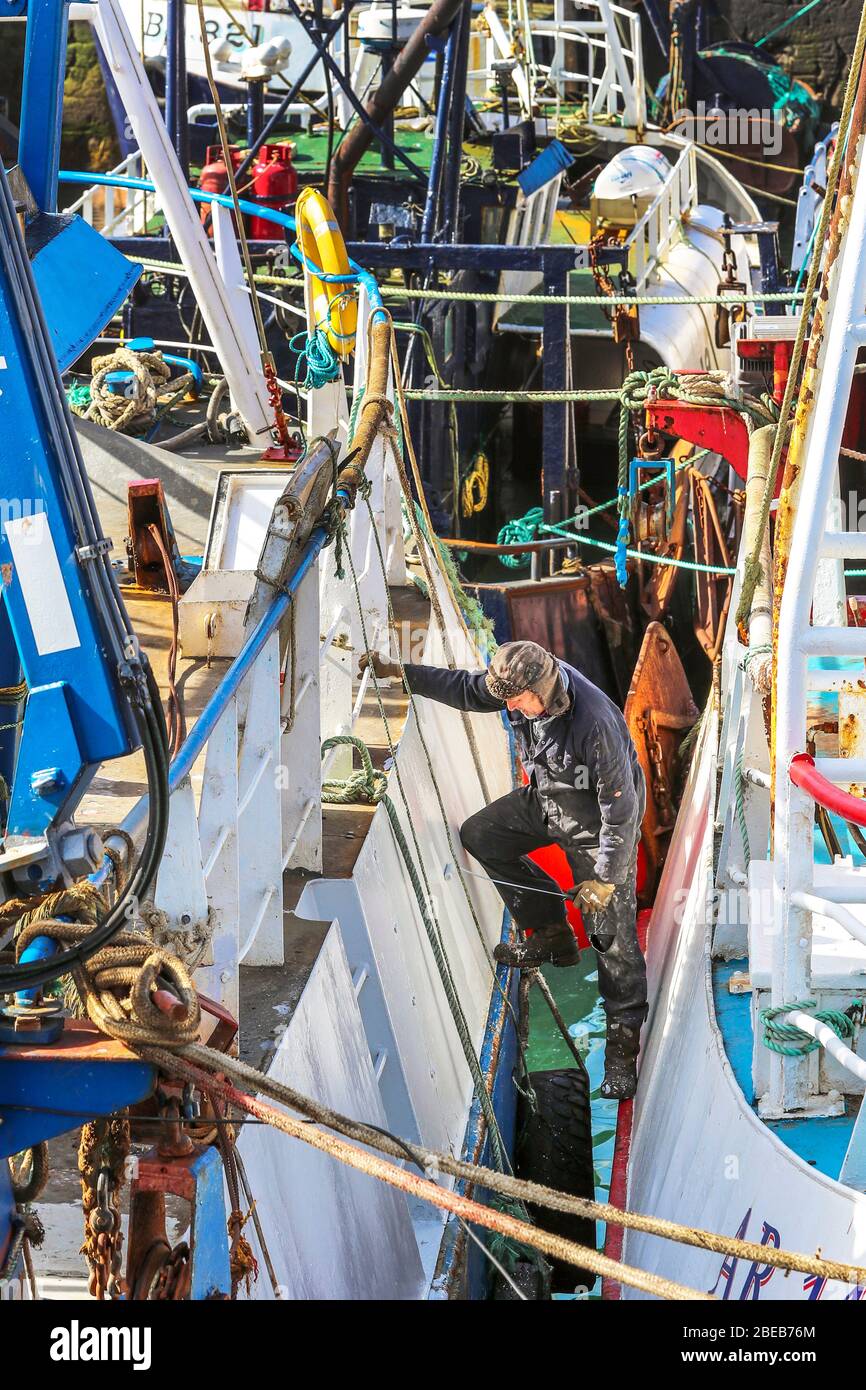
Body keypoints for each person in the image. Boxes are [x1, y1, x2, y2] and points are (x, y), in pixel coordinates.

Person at [360, 639, 648, 1101]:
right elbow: (469, 690)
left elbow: (622, 807)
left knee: (611, 940)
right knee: (482, 834)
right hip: (550, 799)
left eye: (515, 699)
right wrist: (403, 673)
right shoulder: (521, 688)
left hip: (597, 825)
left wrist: (607, 878)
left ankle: (621, 1052)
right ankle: (552, 934)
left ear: (542, 686)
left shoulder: (593, 722)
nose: (508, 706)